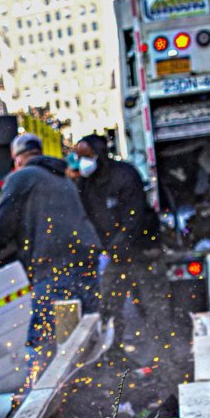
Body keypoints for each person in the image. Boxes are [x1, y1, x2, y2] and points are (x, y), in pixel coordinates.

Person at [0, 133, 101, 347]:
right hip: (86, 265)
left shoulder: (21, 178)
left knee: (46, 341)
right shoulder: (63, 179)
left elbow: (1, 225)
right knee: (81, 338)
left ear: (17, 158)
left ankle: (46, 380)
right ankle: (90, 377)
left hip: (55, 269)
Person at [73, 134, 160, 348]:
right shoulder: (87, 184)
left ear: (99, 155)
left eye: (87, 156)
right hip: (113, 255)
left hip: (140, 252)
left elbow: (135, 218)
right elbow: (86, 217)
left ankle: (165, 354)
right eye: (80, 156)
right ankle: (113, 352)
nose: (83, 162)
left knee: (152, 304)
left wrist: (115, 247)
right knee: (109, 307)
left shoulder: (125, 175)